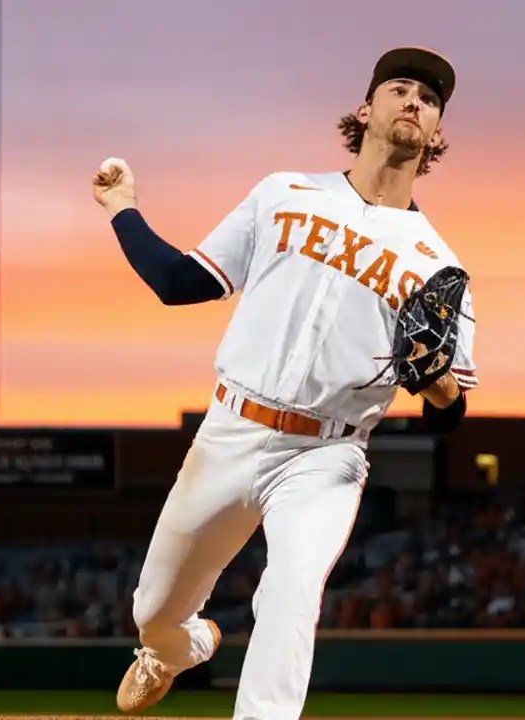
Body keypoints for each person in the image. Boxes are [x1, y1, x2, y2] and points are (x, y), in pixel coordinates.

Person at [90, 46, 479, 720]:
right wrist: (122, 207)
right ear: (366, 110)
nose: (415, 101)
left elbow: (449, 411)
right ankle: (174, 650)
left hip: (327, 455)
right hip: (231, 430)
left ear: (436, 131)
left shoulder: (438, 265)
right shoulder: (284, 194)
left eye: (430, 99)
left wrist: (439, 381)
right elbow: (180, 283)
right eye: (400, 88)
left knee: (294, 589)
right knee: (153, 610)